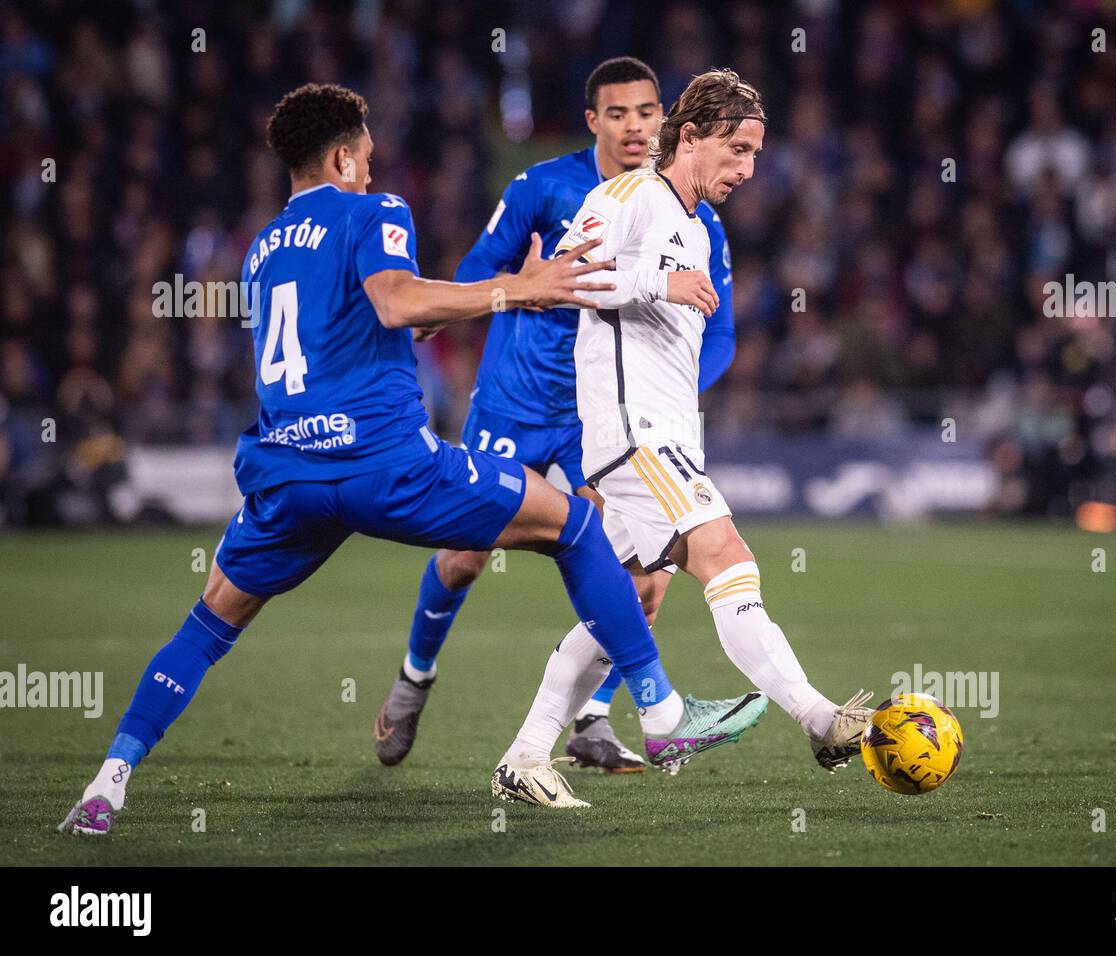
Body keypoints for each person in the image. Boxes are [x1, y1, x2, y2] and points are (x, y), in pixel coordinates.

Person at [59, 82, 767, 833]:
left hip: (288, 474)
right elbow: (396, 301)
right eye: (364, 157)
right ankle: (660, 711)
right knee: (579, 531)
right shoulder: (375, 210)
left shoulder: (262, 250)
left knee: (208, 624)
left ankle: (108, 783)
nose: (371, 169)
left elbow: (372, 326)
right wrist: (515, 289)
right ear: (342, 156)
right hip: (388, 465)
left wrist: (440, 314)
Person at [494, 69, 873, 807]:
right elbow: (559, 279)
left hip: (659, 435)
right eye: (736, 150)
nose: (747, 170)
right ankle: (822, 719)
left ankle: (526, 754)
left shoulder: (697, 229)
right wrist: (655, 286)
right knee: (728, 556)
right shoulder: (627, 195)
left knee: (628, 603)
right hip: (634, 434)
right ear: (690, 135)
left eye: (756, 155)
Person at [375, 57, 737, 775]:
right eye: (619, 113)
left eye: (648, 111)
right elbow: (481, 268)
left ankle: (593, 719)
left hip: (598, 419)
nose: (637, 126)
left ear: (666, 118)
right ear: (593, 121)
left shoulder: (693, 212)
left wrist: (665, 390)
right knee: (463, 557)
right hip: (513, 401)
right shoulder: (541, 187)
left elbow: (718, 328)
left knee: (644, 573)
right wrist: (479, 300)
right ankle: (416, 676)